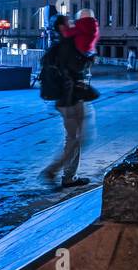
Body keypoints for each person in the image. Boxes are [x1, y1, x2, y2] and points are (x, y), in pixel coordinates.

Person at [40, 10, 98, 189]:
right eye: (69, 21)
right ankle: (54, 171)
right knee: (79, 138)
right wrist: (87, 60)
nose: (72, 23)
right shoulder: (67, 46)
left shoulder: (59, 45)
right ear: (62, 26)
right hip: (70, 99)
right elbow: (73, 69)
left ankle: (68, 176)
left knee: (75, 138)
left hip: (67, 98)